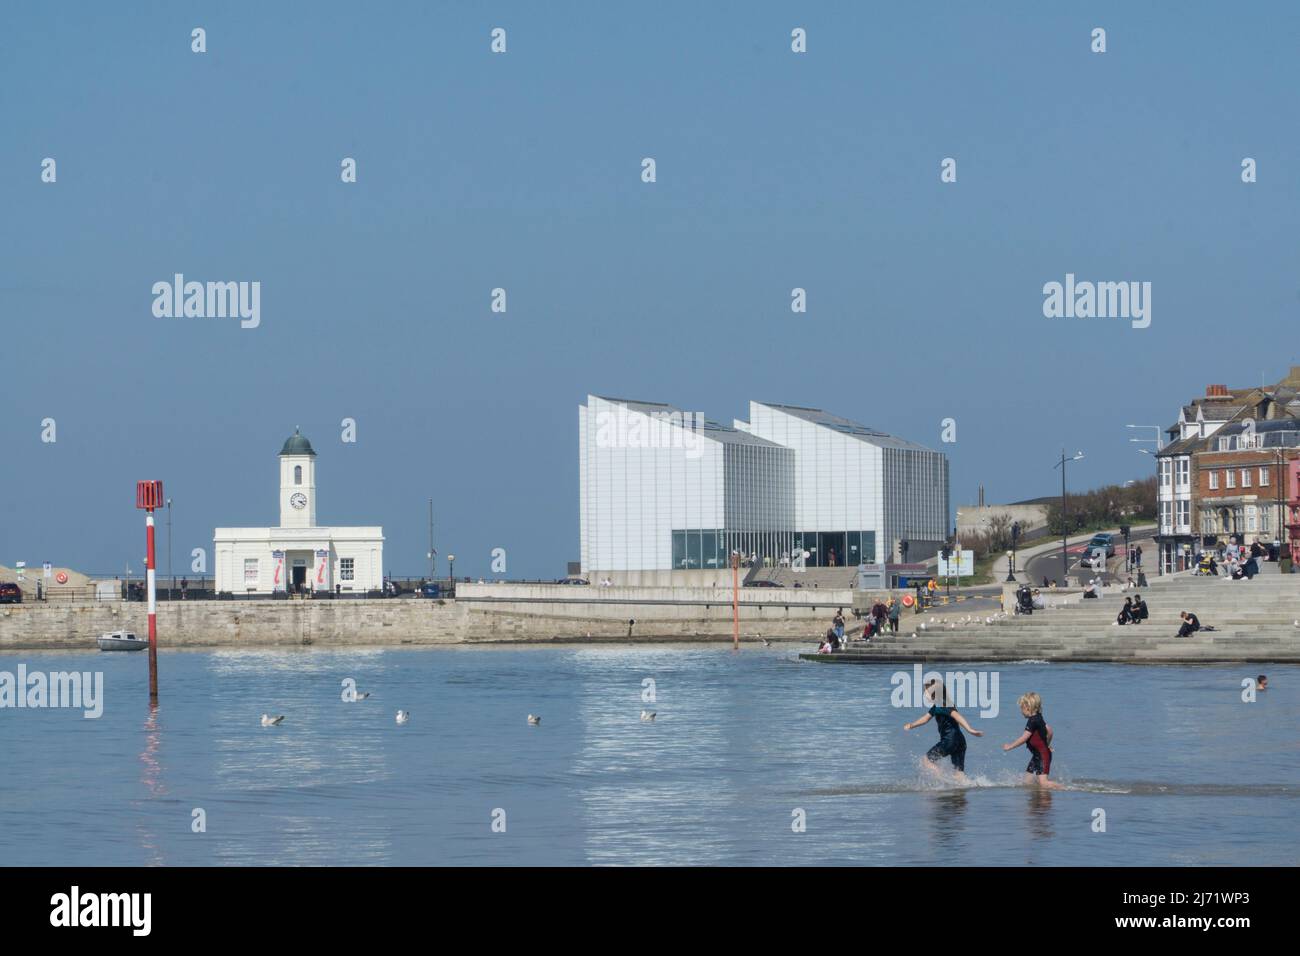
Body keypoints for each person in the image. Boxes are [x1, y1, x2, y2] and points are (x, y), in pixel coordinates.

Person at [903, 679, 983, 777]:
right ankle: (969, 786)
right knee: (958, 773)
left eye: (926, 691)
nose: (924, 693)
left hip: (950, 740)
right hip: (960, 741)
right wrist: (912, 725)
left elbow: (957, 716)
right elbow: (925, 718)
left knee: (926, 760)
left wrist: (970, 729)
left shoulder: (942, 705)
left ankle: (943, 779)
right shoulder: (938, 706)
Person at [1003, 692, 1061, 789]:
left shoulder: (1032, 721)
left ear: (1028, 707)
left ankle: (1066, 788)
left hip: (1042, 755)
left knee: (1044, 783)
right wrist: (1047, 744)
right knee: (1027, 781)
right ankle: (1036, 798)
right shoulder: (1039, 717)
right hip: (1038, 755)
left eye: (1022, 708)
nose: (1021, 711)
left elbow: (1024, 738)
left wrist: (1010, 746)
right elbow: (1050, 731)